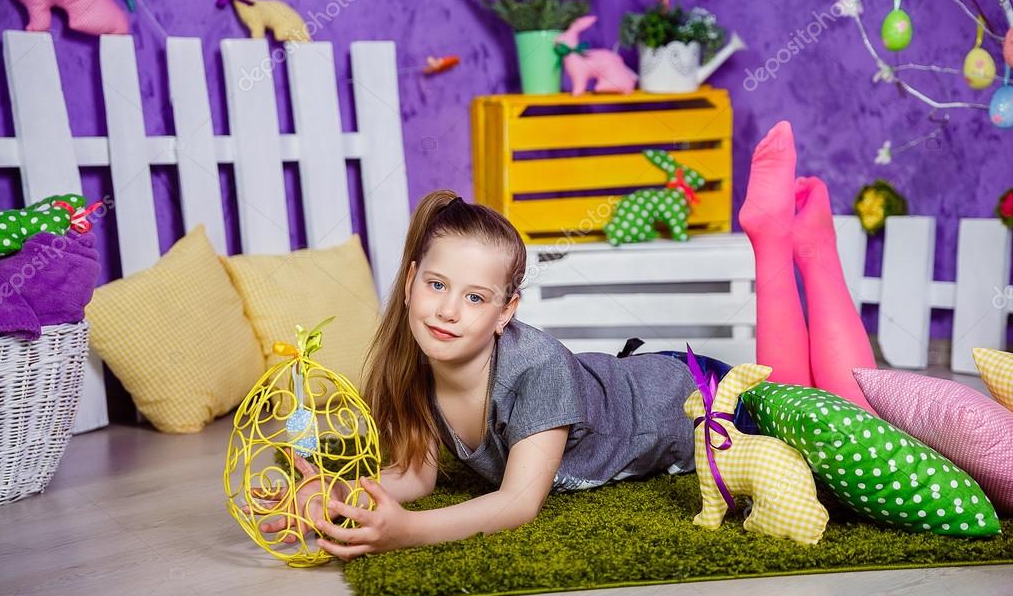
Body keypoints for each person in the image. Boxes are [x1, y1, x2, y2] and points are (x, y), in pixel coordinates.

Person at [253, 120, 877, 560]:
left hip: (694, 396)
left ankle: (793, 246)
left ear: (506, 312)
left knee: (835, 420)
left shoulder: (537, 369)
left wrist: (408, 533)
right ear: (411, 280)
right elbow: (414, 477)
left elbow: (518, 503)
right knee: (815, 408)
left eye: (475, 297)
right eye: (437, 285)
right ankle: (794, 243)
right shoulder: (420, 362)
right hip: (634, 376)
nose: (447, 310)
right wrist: (338, 498)